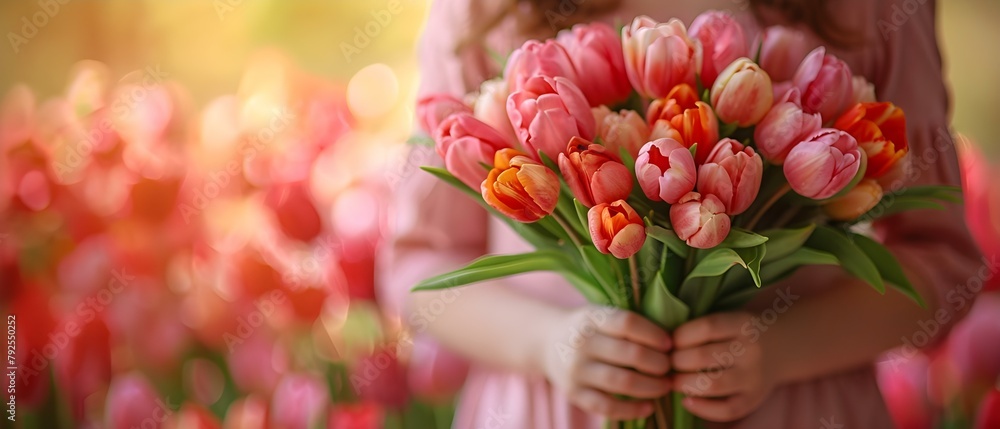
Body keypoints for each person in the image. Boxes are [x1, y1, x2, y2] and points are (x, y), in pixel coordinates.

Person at [379, 0, 982, 427]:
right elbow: (415, 268)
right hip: (546, 409)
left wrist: (781, 348)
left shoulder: (872, 7)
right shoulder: (484, 8)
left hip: (801, 407)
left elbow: (944, 264)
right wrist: (546, 344)